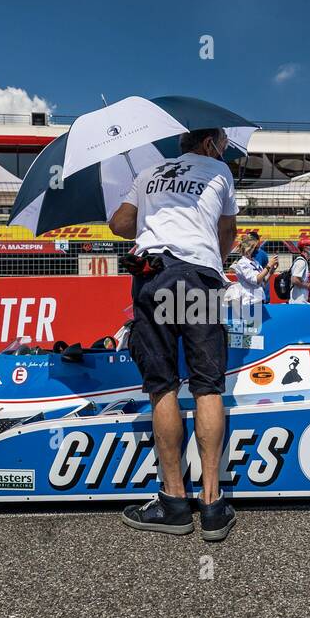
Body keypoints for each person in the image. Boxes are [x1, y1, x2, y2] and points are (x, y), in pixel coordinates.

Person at [106, 126, 238, 542]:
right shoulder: (219, 171)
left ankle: (174, 502)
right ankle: (213, 505)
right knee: (207, 387)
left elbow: (120, 225)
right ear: (207, 143)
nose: (224, 150)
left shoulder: (147, 172)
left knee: (162, 387)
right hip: (200, 276)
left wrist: (149, 205)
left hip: (155, 274)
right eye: (222, 143)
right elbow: (227, 234)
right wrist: (212, 254)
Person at [229, 232, 277, 304]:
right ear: (249, 249)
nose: (257, 250)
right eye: (256, 248)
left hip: (259, 300)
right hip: (249, 302)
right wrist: (268, 266)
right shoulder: (242, 263)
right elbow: (256, 280)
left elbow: (262, 282)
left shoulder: (255, 262)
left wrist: (271, 271)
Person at [289, 237, 310, 303]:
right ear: (305, 248)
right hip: (298, 302)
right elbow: (294, 280)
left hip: (301, 301)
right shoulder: (301, 262)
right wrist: (309, 286)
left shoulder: (303, 261)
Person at [250, 230, 272, 302]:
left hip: (261, 295)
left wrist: (272, 269)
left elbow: (264, 277)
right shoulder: (245, 258)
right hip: (252, 297)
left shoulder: (261, 254)